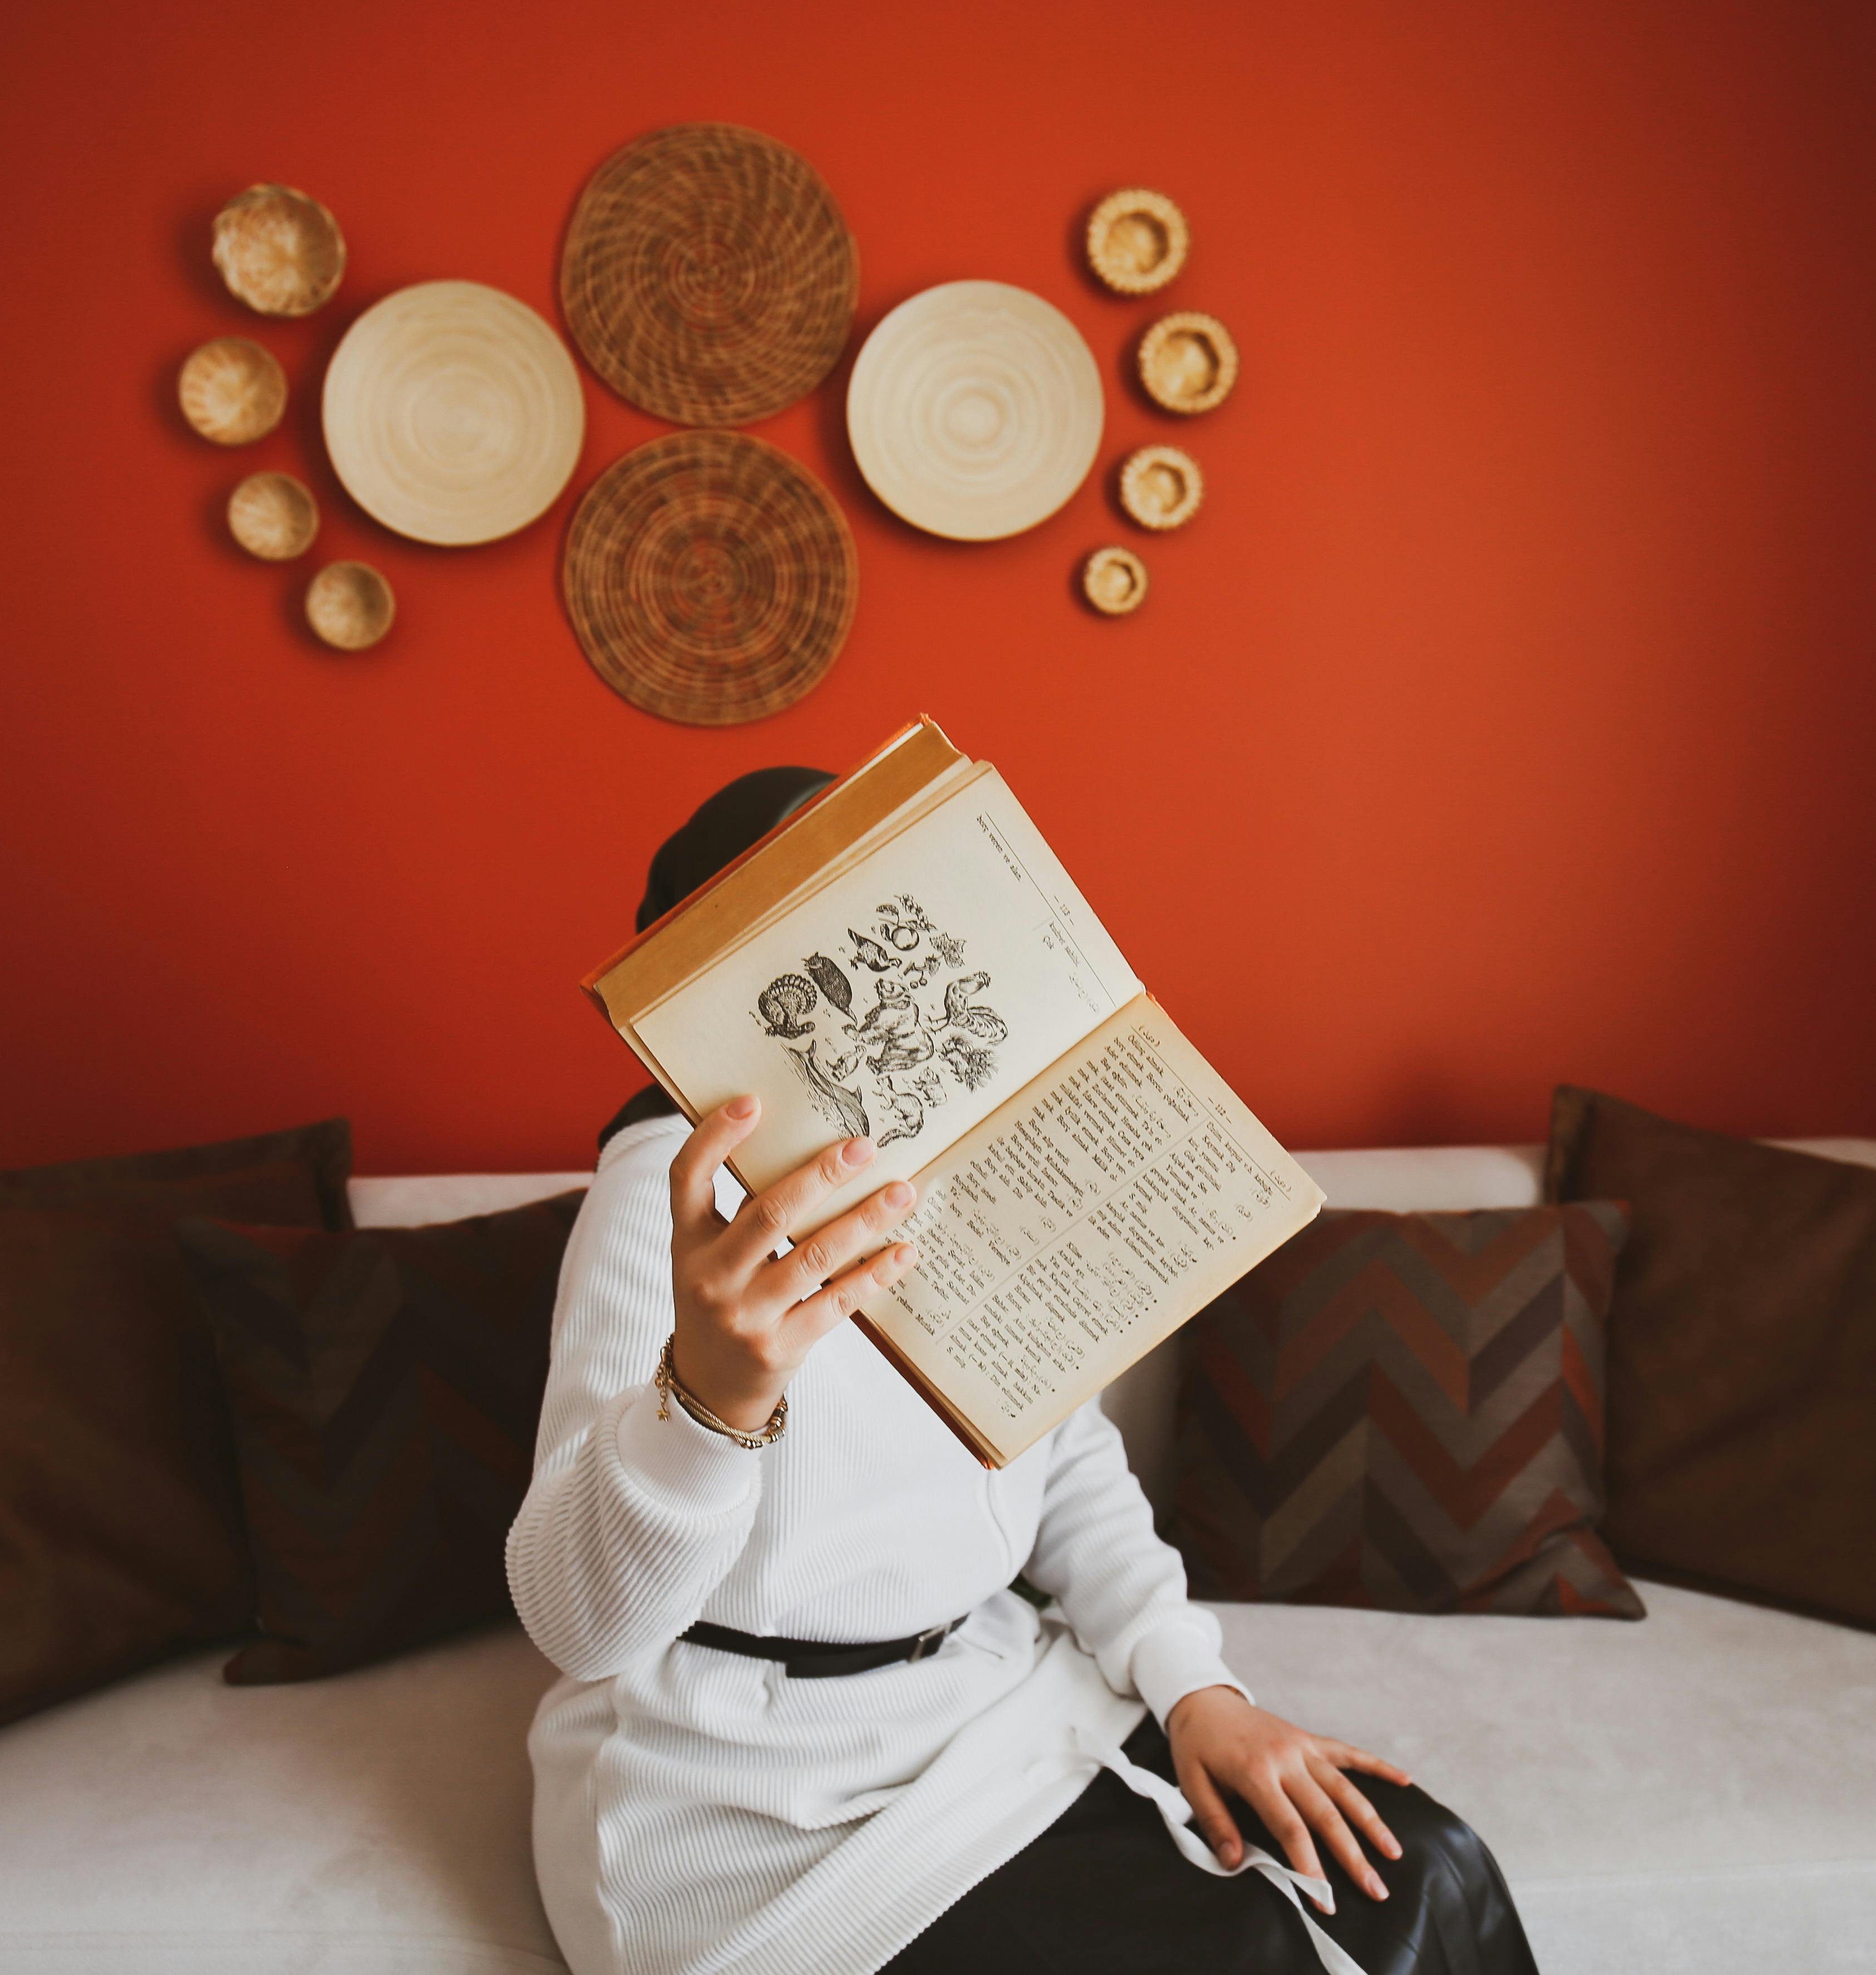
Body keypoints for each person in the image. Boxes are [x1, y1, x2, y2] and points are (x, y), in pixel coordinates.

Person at [506, 768, 1539, 1975]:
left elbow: (1064, 1453)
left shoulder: (963, 1162)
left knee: (1426, 1868)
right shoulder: (665, 1203)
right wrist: (709, 1401)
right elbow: (579, 1626)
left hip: (995, 1709)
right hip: (754, 1809)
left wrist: (1195, 1686)